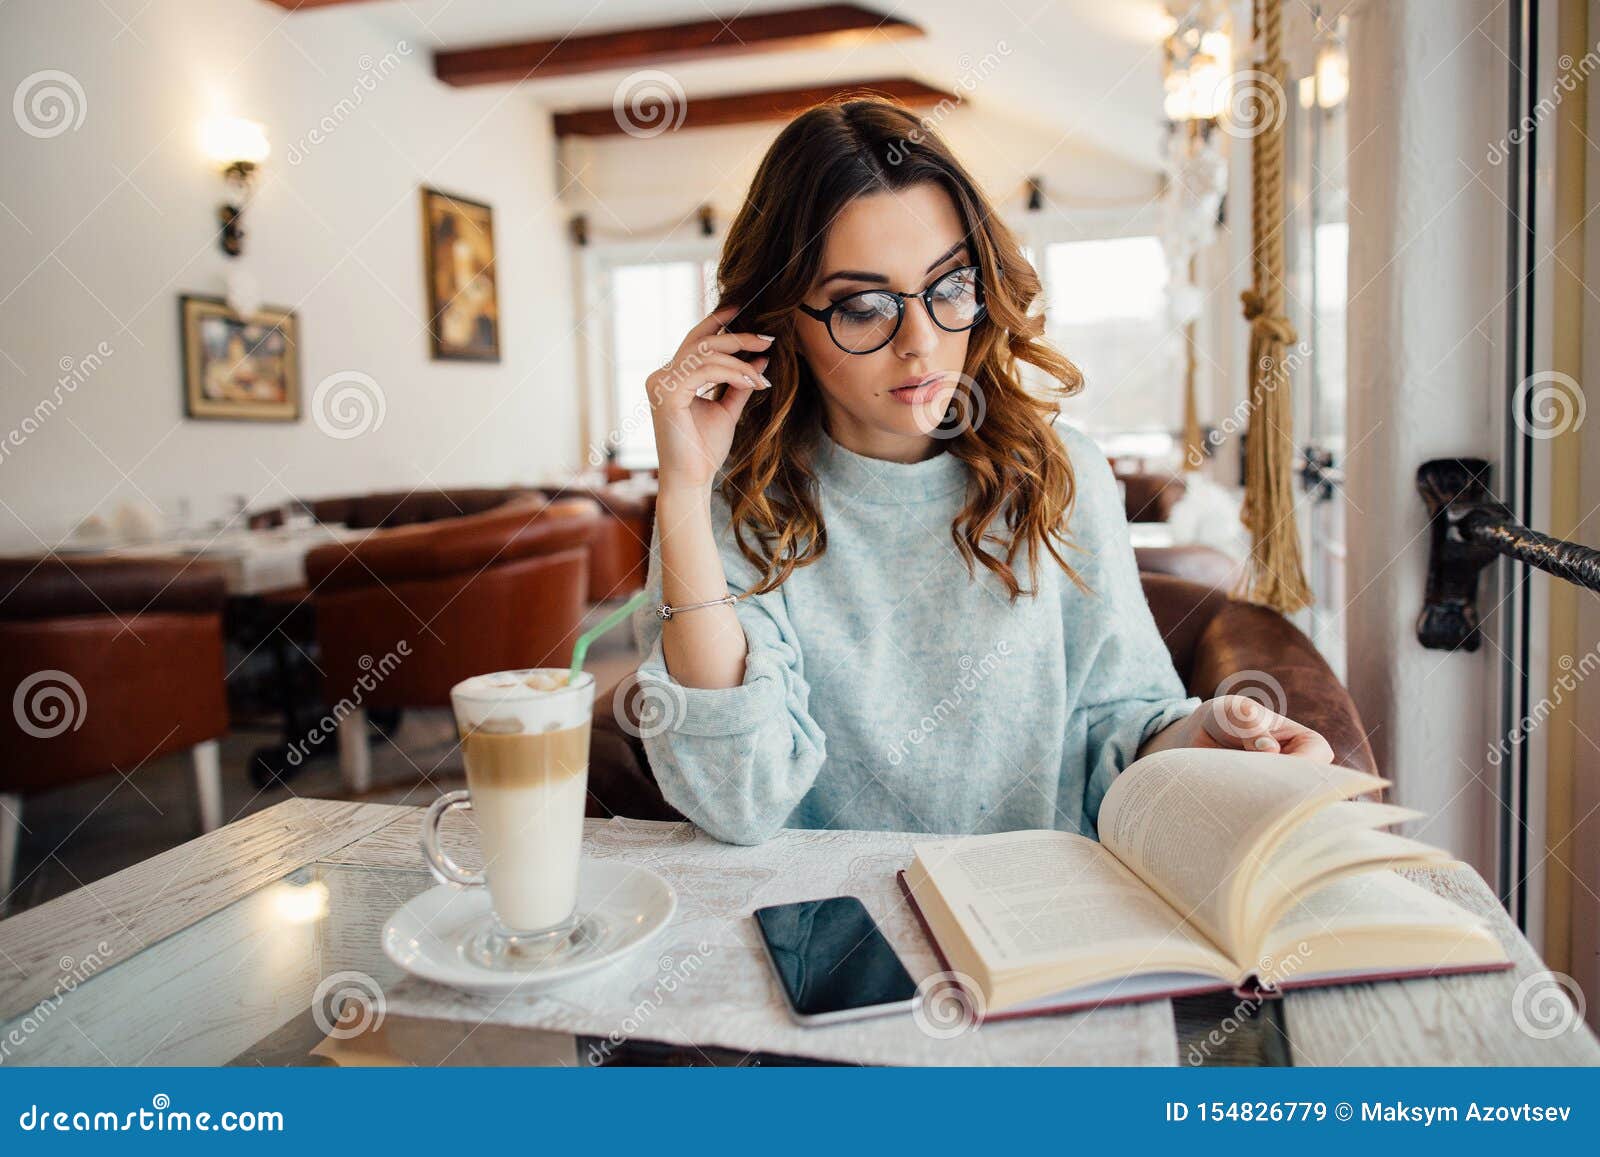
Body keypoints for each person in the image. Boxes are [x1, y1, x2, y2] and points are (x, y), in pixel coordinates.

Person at [630, 97, 1333, 847]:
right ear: (776, 322)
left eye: (951, 286)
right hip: (819, 935)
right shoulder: (734, 501)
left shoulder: (1064, 476)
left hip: (1030, 928)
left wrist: (1207, 739)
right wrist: (683, 490)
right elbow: (738, 795)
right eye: (864, 306)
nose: (923, 342)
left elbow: (1116, 727)